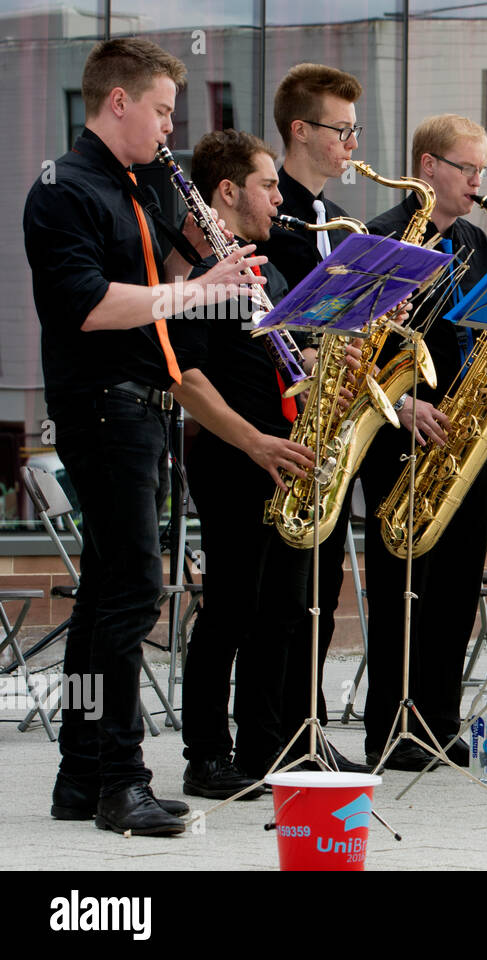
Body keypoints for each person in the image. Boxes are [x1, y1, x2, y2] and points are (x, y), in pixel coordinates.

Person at [22, 38, 280, 834]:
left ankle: (82, 773)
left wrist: (207, 272)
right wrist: (192, 289)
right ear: (120, 102)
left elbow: (155, 293)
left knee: (104, 594)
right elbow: (91, 306)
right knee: (134, 591)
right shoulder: (65, 189)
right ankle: (121, 781)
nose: (172, 129)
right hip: (104, 404)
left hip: (138, 406)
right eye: (163, 110)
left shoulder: (139, 189)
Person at [360, 114, 487, 772]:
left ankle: (440, 721)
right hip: (403, 425)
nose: (479, 181)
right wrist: (403, 403)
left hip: (465, 427)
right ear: (428, 165)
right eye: (467, 168)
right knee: (402, 584)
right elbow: (351, 350)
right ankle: (392, 726)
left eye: (484, 171)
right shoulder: (382, 237)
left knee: (454, 587)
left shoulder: (476, 239)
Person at [173, 129, 317, 796]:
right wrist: (254, 442)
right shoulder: (197, 275)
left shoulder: (272, 271)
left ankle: (268, 747)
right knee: (231, 605)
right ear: (227, 192)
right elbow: (188, 381)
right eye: (267, 184)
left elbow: (294, 361)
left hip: (280, 454)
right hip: (232, 455)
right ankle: (206, 753)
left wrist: (341, 354)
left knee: (283, 608)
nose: (279, 196)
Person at [258, 63, 368, 768]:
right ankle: (274, 732)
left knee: (321, 587)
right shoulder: (275, 218)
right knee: (281, 591)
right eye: (341, 130)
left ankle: (307, 724)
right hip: (283, 417)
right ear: (300, 131)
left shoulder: (336, 219)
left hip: (332, 417)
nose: (351, 144)